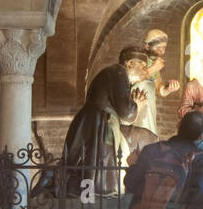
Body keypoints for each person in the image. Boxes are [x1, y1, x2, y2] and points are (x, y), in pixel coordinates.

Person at [59, 47, 149, 195]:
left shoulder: (116, 73)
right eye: (142, 65)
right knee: (97, 162)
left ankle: (92, 194)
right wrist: (137, 105)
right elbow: (126, 113)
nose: (144, 70)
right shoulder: (119, 72)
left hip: (96, 121)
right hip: (98, 123)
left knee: (95, 162)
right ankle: (94, 195)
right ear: (131, 62)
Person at [124, 111, 203, 209]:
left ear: (178, 125)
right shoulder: (202, 158)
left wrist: (132, 165)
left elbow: (131, 183)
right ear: (201, 136)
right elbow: (200, 194)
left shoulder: (151, 150)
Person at [129, 28, 180, 135]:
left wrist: (168, 89)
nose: (162, 51)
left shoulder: (155, 63)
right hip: (136, 101)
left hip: (149, 105)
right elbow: (132, 78)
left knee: (148, 132)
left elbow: (158, 89)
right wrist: (153, 68)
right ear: (147, 46)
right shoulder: (137, 59)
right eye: (158, 48)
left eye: (164, 48)